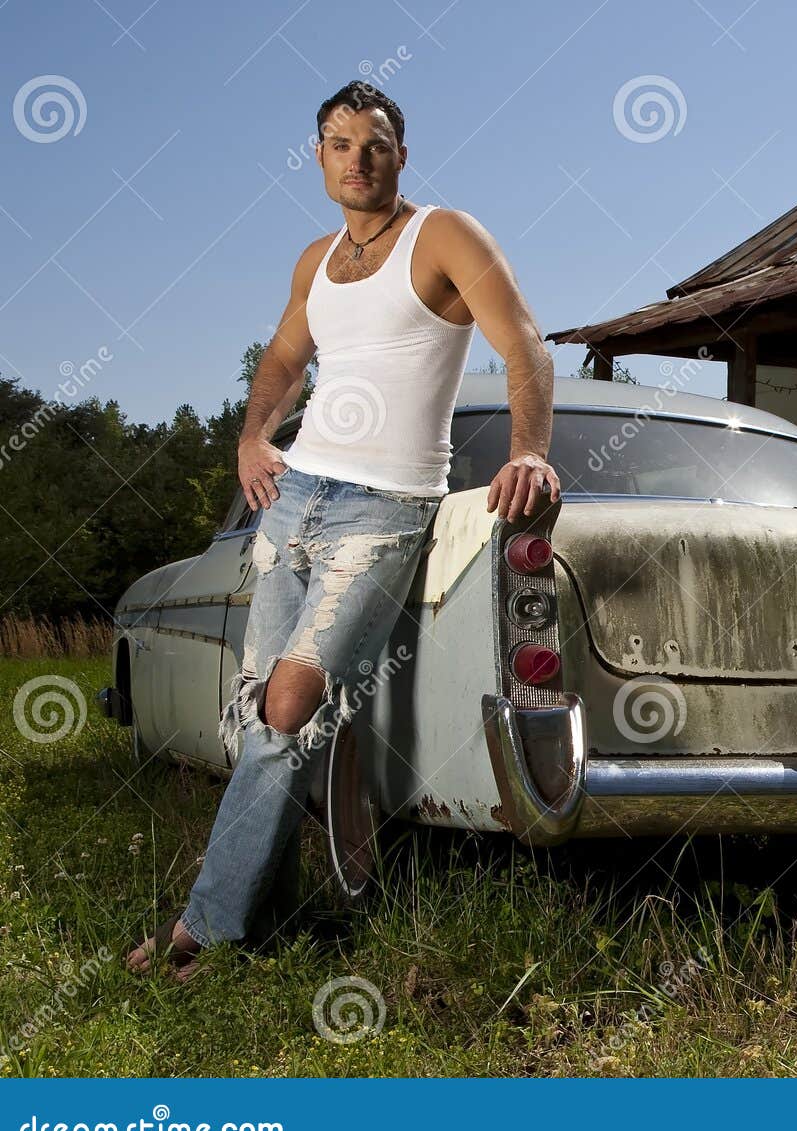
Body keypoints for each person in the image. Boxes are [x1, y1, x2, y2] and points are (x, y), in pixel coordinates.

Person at [127, 80, 561, 979]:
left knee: (291, 706)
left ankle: (204, 928)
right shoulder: (316, 260)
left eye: (375, 143)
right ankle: (262, 918)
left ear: (401, 154)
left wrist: (528, 451)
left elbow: (524, 344)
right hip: (294, 500)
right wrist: (252, 437)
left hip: (384, 507)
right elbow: (285, 357)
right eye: (339, 143)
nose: (357, 158)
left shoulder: (444, 235)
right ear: (318, 157)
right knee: (260, 717)